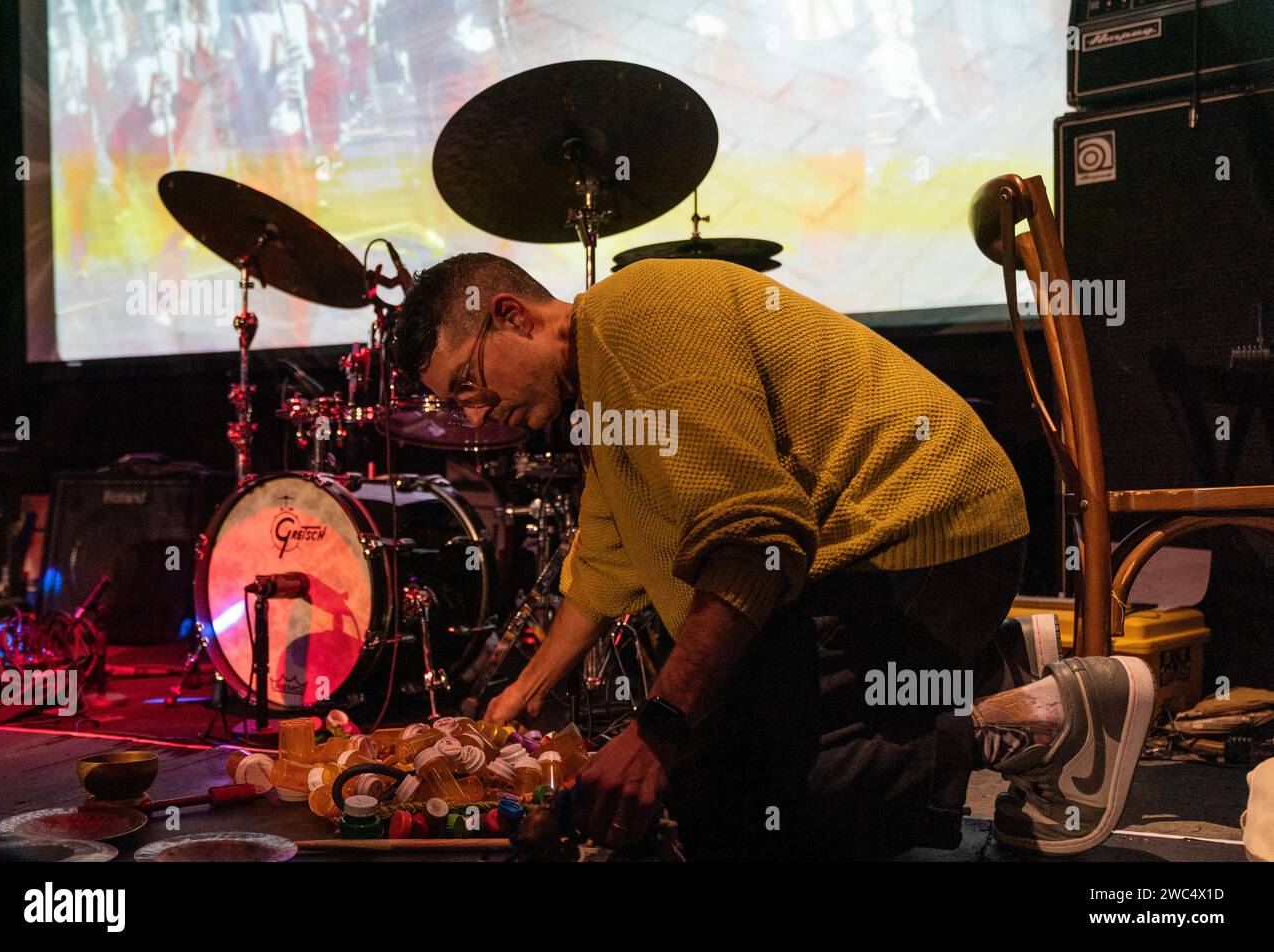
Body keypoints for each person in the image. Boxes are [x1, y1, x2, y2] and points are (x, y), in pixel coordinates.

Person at [391, 252, 1155, 860]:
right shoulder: (599, 394)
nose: (475, 415)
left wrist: (660, 733)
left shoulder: (633, 318)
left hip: (925, 543)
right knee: (710, 763)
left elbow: (757, 540)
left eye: (468, 384)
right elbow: (608, 563)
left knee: (742, 796)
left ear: (511, 315)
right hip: (884, 556)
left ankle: (1036, 716)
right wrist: (519, 696)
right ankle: (982, 666)